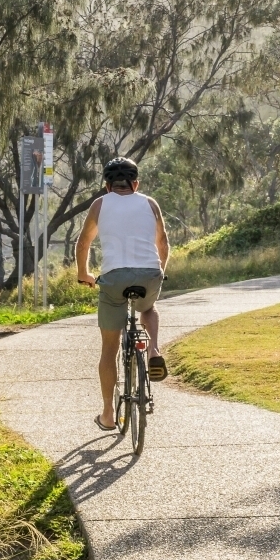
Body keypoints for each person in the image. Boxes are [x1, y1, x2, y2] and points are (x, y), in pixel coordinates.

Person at [76, 156, 170, 432]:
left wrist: (84, 274)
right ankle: (153, 348)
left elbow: (84, 243)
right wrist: (159, 270)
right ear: (135, 183)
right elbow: (162, 241)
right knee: (148, 309)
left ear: (107, 186)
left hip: (114, 278)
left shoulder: (100, 204)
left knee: (110, 349)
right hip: (149, 273)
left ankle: (108, 413)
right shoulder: (150, 203)